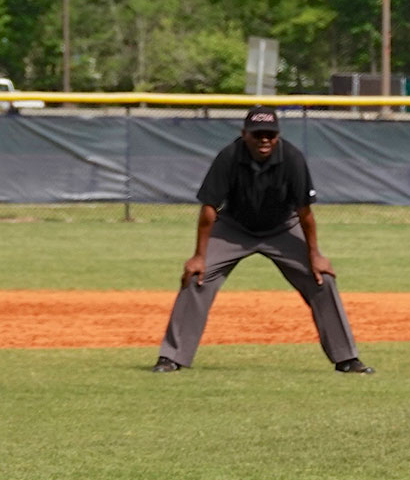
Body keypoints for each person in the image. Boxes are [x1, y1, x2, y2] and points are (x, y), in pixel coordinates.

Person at [151, 107, 371, 374]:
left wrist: (315, 255)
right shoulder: (229, 156)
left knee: (322, 279)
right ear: (244, 135)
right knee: (198, 277)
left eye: (270, 134)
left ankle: (346, 358)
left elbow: (305, 214)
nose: (264, 139)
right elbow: (209, 209)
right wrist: (199, 256)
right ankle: (171, 356)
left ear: (277, 136)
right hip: (234, 227)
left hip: (282, 227)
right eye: (257, 134)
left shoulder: (291, 158)